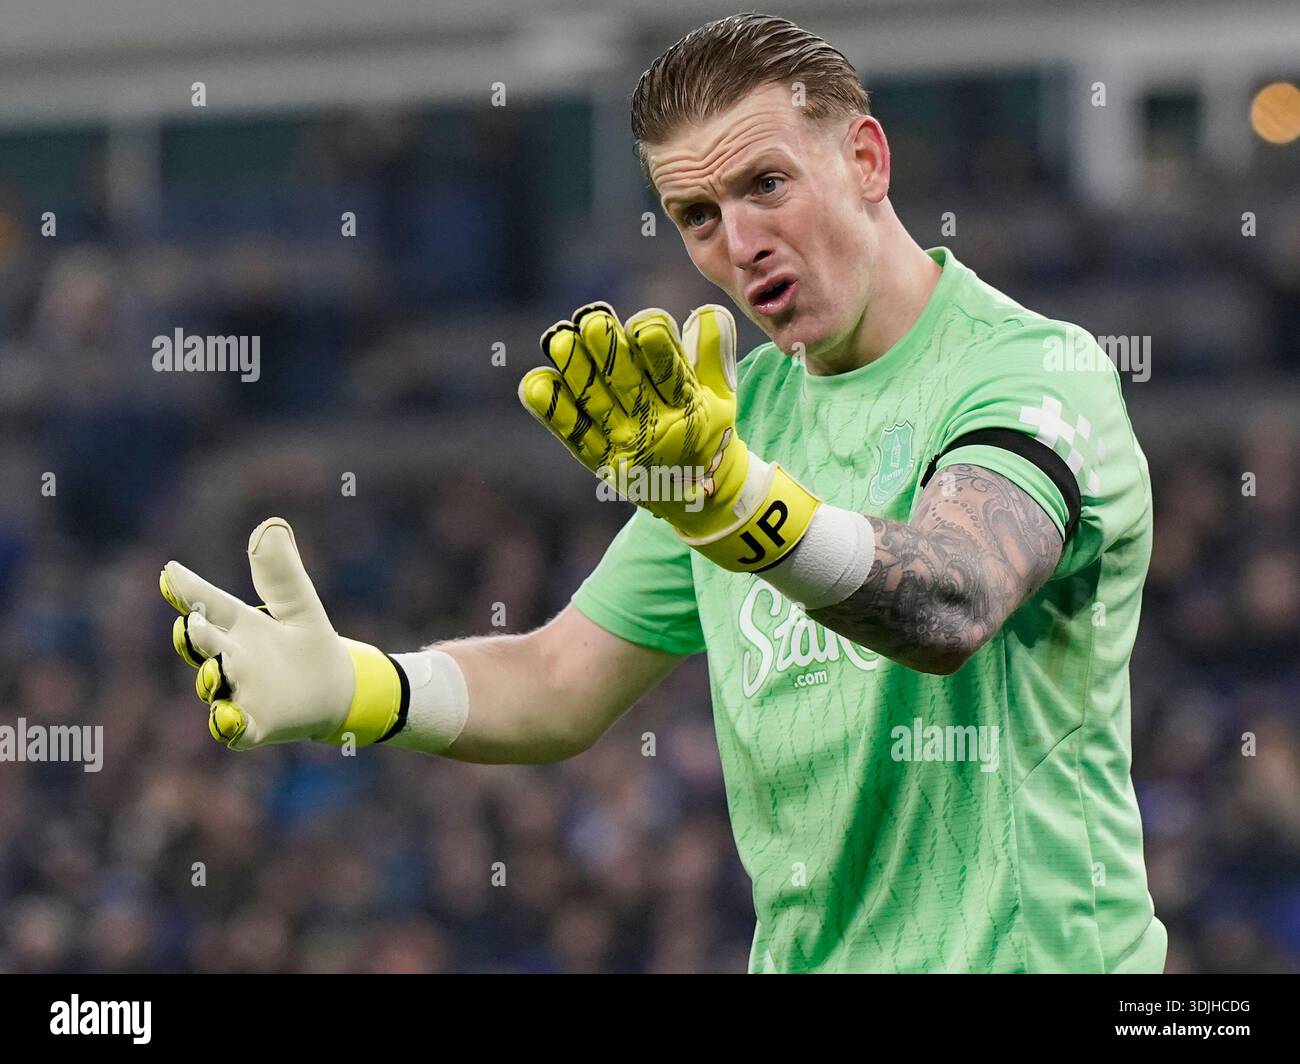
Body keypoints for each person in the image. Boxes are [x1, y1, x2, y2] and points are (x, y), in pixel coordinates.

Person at [161, 13, 1165, 973]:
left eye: (765, 183)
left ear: (865, 159)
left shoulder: (1031, 372)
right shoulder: (738, 425)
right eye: (698, 215)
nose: (738, 240)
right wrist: (364, 688)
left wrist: (743, 510)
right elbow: (559, 679)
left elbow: (955, 598)